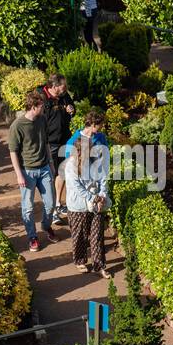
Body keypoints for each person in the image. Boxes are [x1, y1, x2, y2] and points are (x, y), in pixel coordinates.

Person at [9, 89, 58, 252]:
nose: (44, 109)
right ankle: (32, 237)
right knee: (28, 207)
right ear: (34, 106)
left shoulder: (42, 119)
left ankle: (46, 226)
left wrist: (51, 164)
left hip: (44, 168)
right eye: (42, 106)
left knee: (51, 204)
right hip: (27, 172)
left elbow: (46, 143)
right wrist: (19, 175)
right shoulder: (17, 126)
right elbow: (13, 151)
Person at [65, 111, 111, 277]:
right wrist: (94, 197)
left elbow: (103, 178)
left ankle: (100, 266)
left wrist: (102, 196)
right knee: (80, 236)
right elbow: (76, 186)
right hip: (78, 205)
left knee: (97, 235)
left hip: (96, 203)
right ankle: (80, 260)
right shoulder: (71, 165)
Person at [41, 75, 77, 226]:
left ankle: (58, 204)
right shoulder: (42, 98)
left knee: (62, 172)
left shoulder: (63, 95)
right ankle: (52, 211)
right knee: (50, 175)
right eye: (62, 88)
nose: (65, 90)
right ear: (54, 86)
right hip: (50, 143)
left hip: (65, 139)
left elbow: (71, 108)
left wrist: (71, 109)